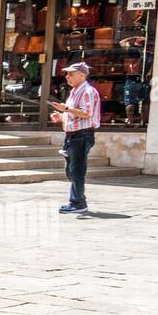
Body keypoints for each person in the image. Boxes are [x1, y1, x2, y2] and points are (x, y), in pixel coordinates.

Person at [50, 61, 101, 214]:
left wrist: (65, 108)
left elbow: (86, 113)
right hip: (73, 135)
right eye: (67, 74)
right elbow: (75, 113)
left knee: (76, 170)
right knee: (71, 170)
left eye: (71, 74)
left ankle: (78, 203)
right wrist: (61, 116)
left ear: (82, 75)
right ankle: (77, 201)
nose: (67, 77)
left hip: (81, 135)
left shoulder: (87, 91)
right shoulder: (75, 91)